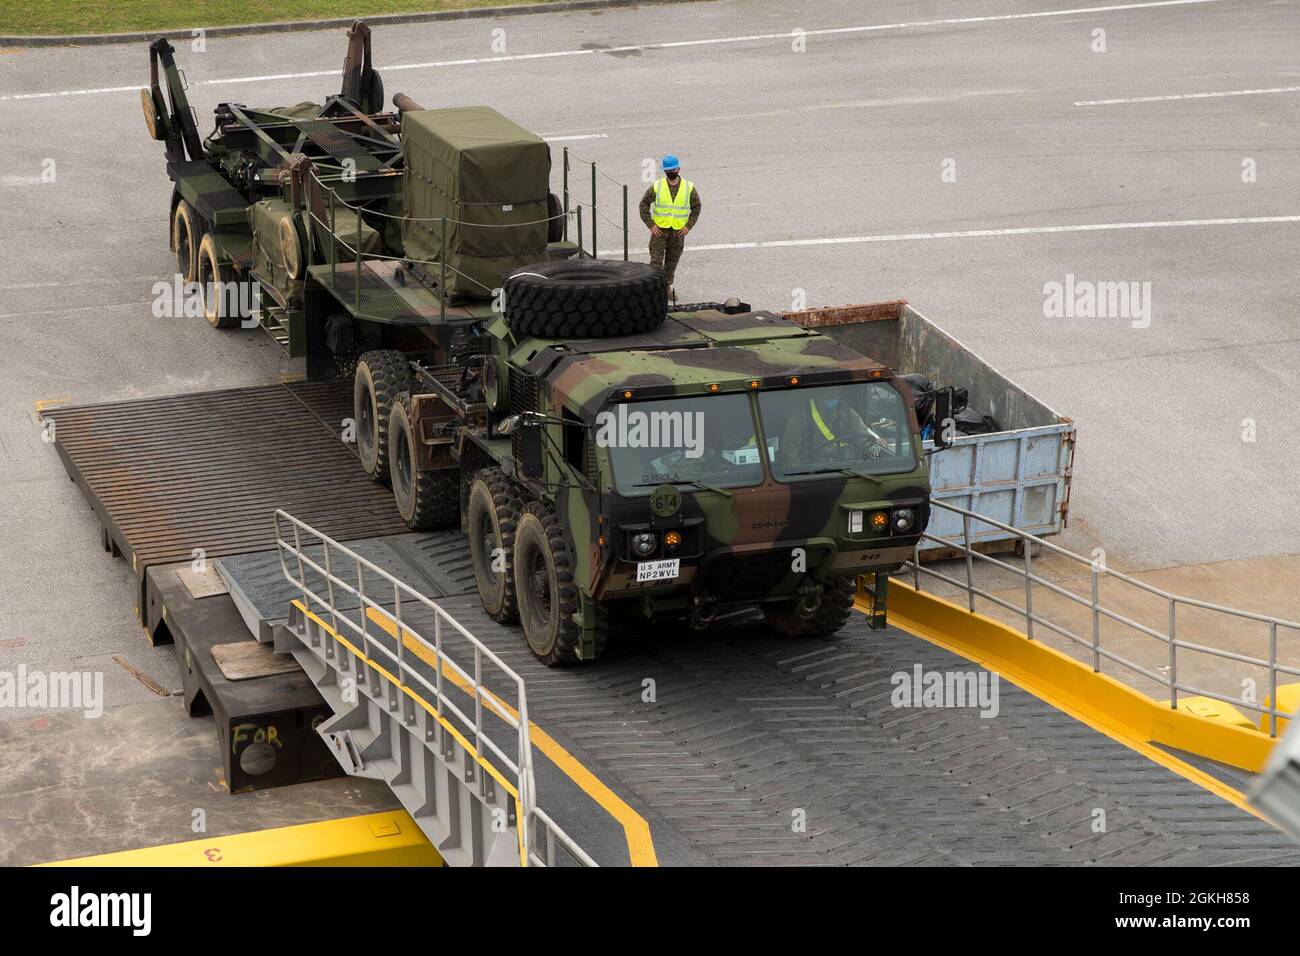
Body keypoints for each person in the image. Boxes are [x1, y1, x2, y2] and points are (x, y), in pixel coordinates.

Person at [639, 155, 701, 300]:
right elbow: (643, 204)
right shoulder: (658, 186)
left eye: (673, 169)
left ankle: (666, 288)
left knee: (671, 263)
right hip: (659, 232)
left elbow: (696, 207)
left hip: (678, 233)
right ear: (665, 171)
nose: (671, 172)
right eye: (668, 170)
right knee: (655, 263)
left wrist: (688, 226)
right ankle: (654, 291)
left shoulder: (688, 187)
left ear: (678, 169)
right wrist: (651, 225)